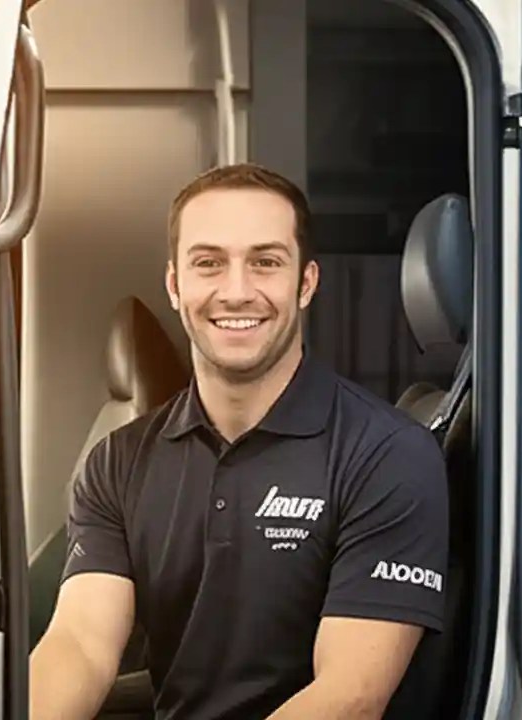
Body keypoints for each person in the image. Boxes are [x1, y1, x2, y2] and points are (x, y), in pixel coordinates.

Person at [28, 163, 449, 719]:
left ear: (306, 284)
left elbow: (349, 695)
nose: (236, 291)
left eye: (266, 263)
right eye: (208, 264)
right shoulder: (118, 462)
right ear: (175, 286)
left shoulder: (388, 454)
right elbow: (80, 645)